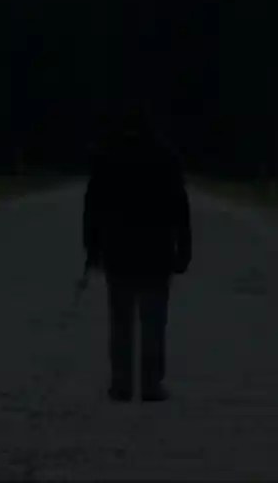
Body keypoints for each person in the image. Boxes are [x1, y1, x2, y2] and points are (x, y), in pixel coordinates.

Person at [82, 100, 192, 403]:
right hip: (156, 251)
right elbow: (180, 209)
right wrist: (184, 248)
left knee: (121, 321)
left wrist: (92, 248)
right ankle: (150, 383)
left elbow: (93, 208)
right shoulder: (166, 157)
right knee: (154, 321)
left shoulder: (107, 157)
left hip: (119, 251)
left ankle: (121, 382)